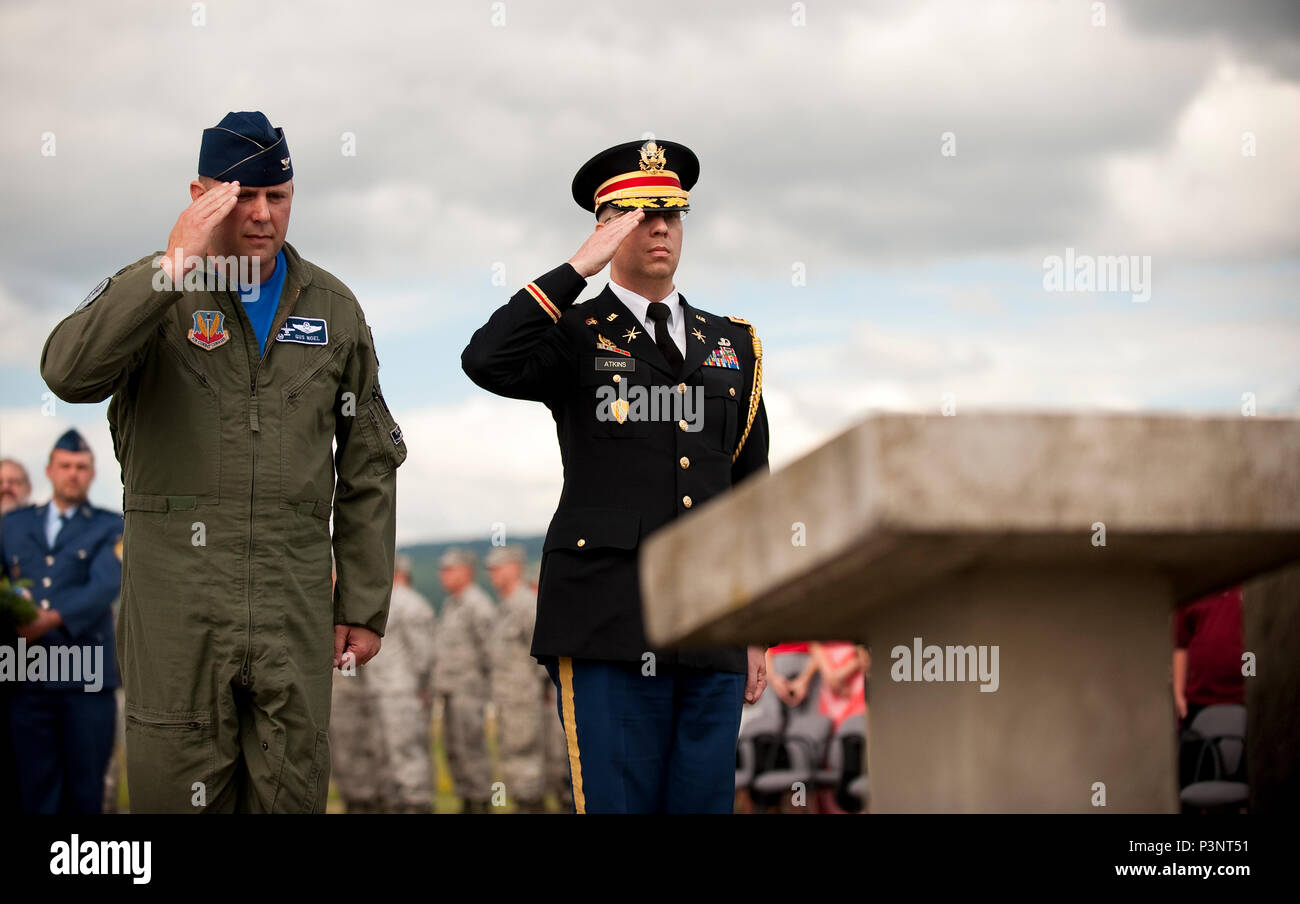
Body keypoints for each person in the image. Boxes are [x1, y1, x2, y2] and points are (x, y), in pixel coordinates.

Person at [40, 111, 407, 813]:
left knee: (292, 783)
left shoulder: (334, 310)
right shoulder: (153, 296)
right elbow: (67, 373)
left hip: (292, 607)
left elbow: (367, 463)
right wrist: (168, 270)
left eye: (278, 195)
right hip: (178, 611)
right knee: (174, 783)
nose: (263, 214)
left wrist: (363, 603)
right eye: (241, 196)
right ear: (198, 194)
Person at [462, 138, 770, 814]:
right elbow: (486, 359)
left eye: (672, 214)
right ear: (606, 225)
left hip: (713, 624)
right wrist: (579, 266)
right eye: (637, 214)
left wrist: (756, 624)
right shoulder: (573, 333)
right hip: (607, 621)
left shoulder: (732, 344)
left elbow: (752, 489)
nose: (659, 228)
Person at [0, 429, 122, 813]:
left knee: (85, 792)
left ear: (92, 473)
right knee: (33, 790)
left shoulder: (112, 526)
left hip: (86, 680)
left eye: (82, 467)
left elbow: (105, 584)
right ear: (50, 470)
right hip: (26, 677)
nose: (73, 474)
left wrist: (49, 618)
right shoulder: (13, 524)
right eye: (66, 466)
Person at [487, 545, 564, 813]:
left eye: (498, 567)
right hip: (510, 700)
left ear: (515, 567)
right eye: (490, 569)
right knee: (515, 760)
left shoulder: (528, 605)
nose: (492, 574)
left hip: (528, 700)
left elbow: (545, 656)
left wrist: (539, 691)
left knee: (533, 762)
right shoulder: (503, 608)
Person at [369, 553, 437, 812]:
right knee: (393, 756)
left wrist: (420, 686)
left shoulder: (409, 603)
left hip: (402, 692)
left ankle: (416, 804)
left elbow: (423, 654)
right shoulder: (394, 600)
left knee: (407, 754)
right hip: (388, 691)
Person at [432, 548, 494, 813]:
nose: (443, 576)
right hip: (450, 691)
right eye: (442, 570)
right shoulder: (451, 604)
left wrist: (485, 690)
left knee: (472, 750)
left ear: (466, 571)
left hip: (470, 692)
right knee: (455, 751)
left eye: (449, 570)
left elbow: (490, 651)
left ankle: (480, 803)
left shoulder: (477, 604)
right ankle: (467, 801)